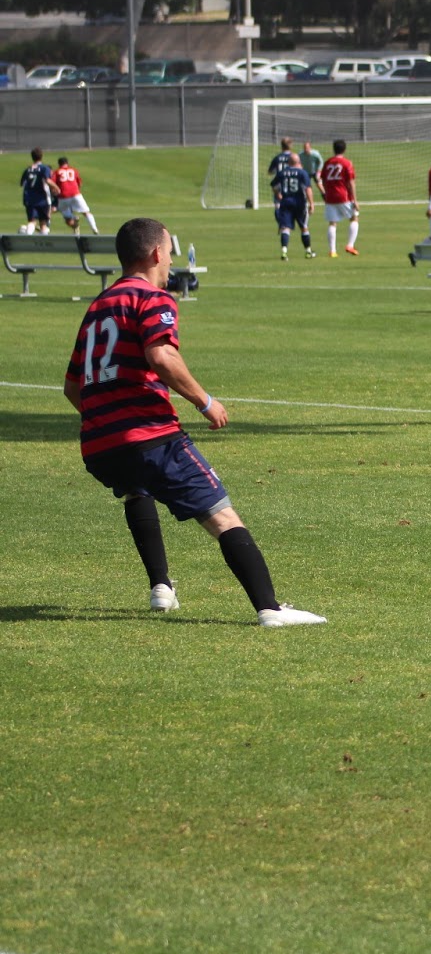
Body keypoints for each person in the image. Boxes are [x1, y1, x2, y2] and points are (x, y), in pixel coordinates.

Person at [62, 217, 326, 628]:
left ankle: (161, 588)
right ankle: (270, 609)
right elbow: (162, 356)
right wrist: (205, 402)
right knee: (222, 516)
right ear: (155, 253)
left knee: (136, 488)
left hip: (100, 447)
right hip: (151, 438)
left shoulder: (98, 306)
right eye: (169, 250)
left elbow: (72, 386)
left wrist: (107, 421)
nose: (170, 259)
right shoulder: (152, 298)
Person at [317, 139, 359, 257]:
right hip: (344, 196)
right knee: (354, 218)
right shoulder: (347, 163)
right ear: (344, 149)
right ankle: (350, 245)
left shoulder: (327, 162)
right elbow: (351, 182)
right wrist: (355, 200)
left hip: (330, 197)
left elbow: (323, 179)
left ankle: (332, 251)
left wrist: (326, 192)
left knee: (332, 223)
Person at [271, 152, 315, 260]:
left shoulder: (282, 173)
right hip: (299, 202)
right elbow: (308, 188)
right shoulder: (302, 173)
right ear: (298, 162)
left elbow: (274, 185)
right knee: (304, 227)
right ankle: (308, 251)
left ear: (288, 162)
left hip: (286, 202)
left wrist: (278, 194)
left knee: (285, 228)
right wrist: (311, 203)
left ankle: (284, 252)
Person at [52, 155, 99, 234]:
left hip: (63, 197)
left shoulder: (56, 172)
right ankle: (94, 229)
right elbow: (79, 183)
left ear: (59, 164)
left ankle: (73, 218)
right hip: (75, 194)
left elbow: (53, 184)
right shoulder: (74, 170)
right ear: (67, 163)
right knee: (86, 212)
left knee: (67, 217)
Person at [20, 147, 54, 234]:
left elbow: (22, 184)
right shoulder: (44, 168)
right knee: (43, 223)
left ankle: (28, 238)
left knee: (32, 221)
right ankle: (43, 244)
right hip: (42, 199)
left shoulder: (27, 169)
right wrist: (56, 187)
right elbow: (47, 180)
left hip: (30, 199)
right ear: (41, 156)